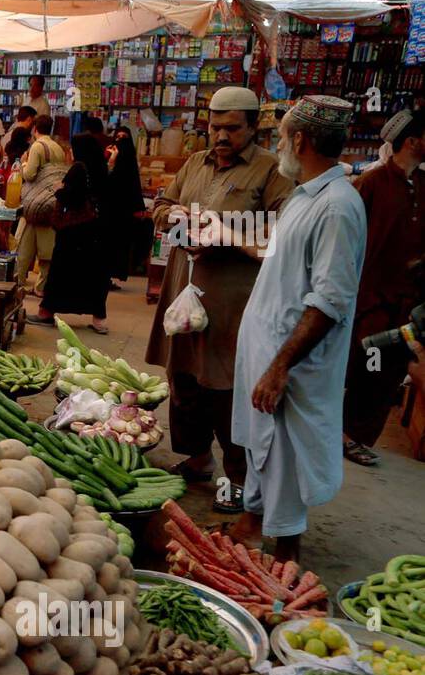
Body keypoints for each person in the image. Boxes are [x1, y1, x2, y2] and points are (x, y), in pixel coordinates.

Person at [229, 95, 366, 562]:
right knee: (261, 449)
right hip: (268, 350)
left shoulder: (337, 208)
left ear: (301, 140)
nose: (279, 145)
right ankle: (252, 523)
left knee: (284, 456)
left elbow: (329, 300)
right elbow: (287, 265)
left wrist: (281, 365)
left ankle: (285, 560)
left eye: (282, 137)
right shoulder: (305, 196)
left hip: (292, 363)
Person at [145, 87, 292, 511]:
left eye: (232, 128)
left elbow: (281, 233)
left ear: (252, 127)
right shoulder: (195, 162)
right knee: (184, 376)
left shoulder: (271, 170)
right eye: (215, 127)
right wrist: (172, 216)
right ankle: (196, 458)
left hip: (232, 298)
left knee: (227, 385)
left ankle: (238, 476)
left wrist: (225, 233)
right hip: (183, 289)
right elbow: (164, 204)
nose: (222, 136)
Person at [342, 110, 425, 466]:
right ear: (412, 141)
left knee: (388, 373)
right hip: (369, 298)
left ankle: (355, 436)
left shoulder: (422, 186)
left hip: (408, 303)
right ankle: (341, 433)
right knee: (361, 365)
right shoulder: (372, 184)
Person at [35, 161, 109, 333]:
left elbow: (56, 221)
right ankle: (99, 321)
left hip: (66, 247)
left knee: (57, 280)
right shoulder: (93, 197)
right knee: (94, 282)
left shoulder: (64, 196)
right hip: (91, 249)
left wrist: (58, 192)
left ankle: (45, 313)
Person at [15, 114, 67, 295]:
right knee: (46, 250)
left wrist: (23, 164)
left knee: (23, 247)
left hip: (34, 204)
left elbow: (29, 174)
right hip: (50, 203)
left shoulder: (38, 147)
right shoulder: (59, 148)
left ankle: (18, 282)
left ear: (35, 129)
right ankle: (41, 287)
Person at [104, 128, 146, 285]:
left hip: (123, 212)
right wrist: (111, 161)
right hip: (109, 209)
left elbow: (134, 185)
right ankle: (104, 278)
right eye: (118, 137)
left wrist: (139, 207)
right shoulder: (109, 155)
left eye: (124, 137)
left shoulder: (130, 161)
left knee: (119, 246)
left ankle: (110, 277)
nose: (120, 140)